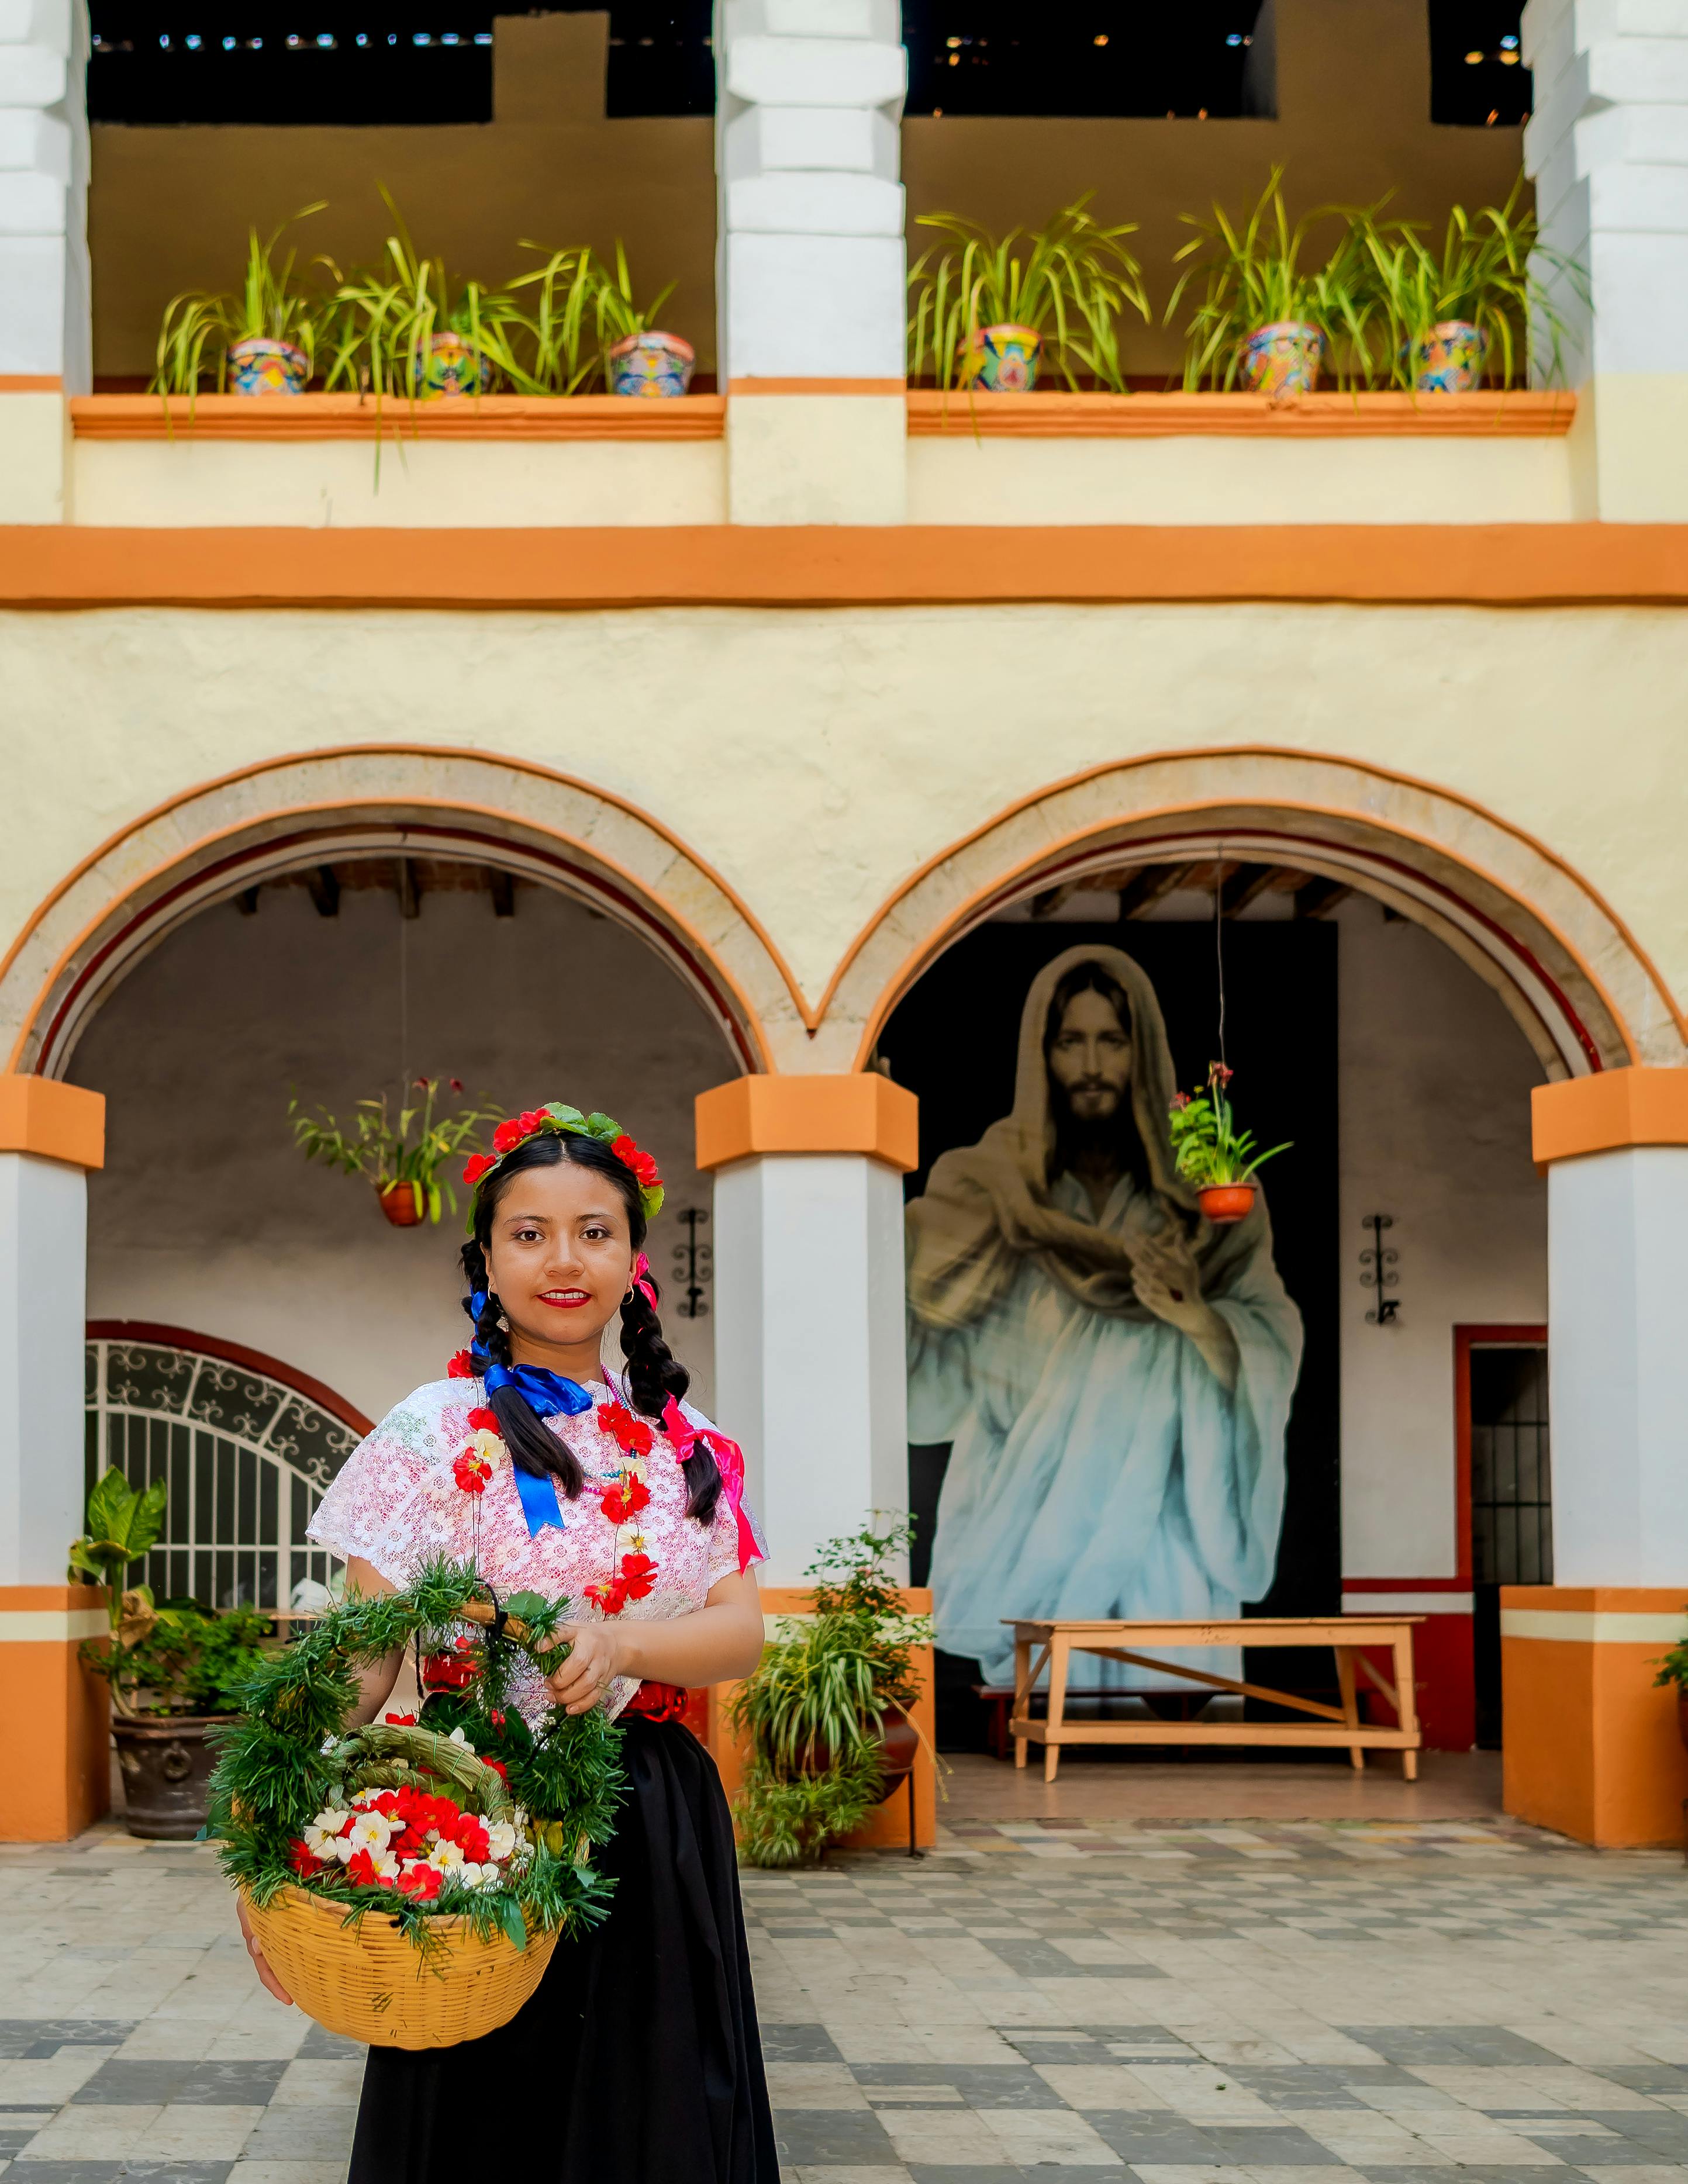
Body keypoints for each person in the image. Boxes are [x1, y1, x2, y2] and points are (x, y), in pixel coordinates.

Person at [235, 1104, 778, 2184]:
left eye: (594, 1230)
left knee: (647, 2113)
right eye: (528, 1233)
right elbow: (364, 1654)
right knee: (479, 2120)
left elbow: (740, 1633)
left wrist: (621, 1644)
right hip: (462, 1815)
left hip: (648, 1828)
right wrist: (272, 1840)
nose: (562, 1259)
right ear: (485, 1257)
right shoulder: (430, 1433)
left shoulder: (691, 1445)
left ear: (635, 1257)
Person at [906, 944, 1304, 1689]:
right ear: (1042, 1054)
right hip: (1022, 1502)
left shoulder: (1206, 1196)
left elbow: (1271, 1329)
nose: (1091, 1064)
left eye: (1111, 1041)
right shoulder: (988, 1184)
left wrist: (1197, 1319)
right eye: (1070, 1041)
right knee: (1031, 1702)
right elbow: (923, 1328)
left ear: (1141, 1050)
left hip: (1165, 1519)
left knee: (1173, 1696)